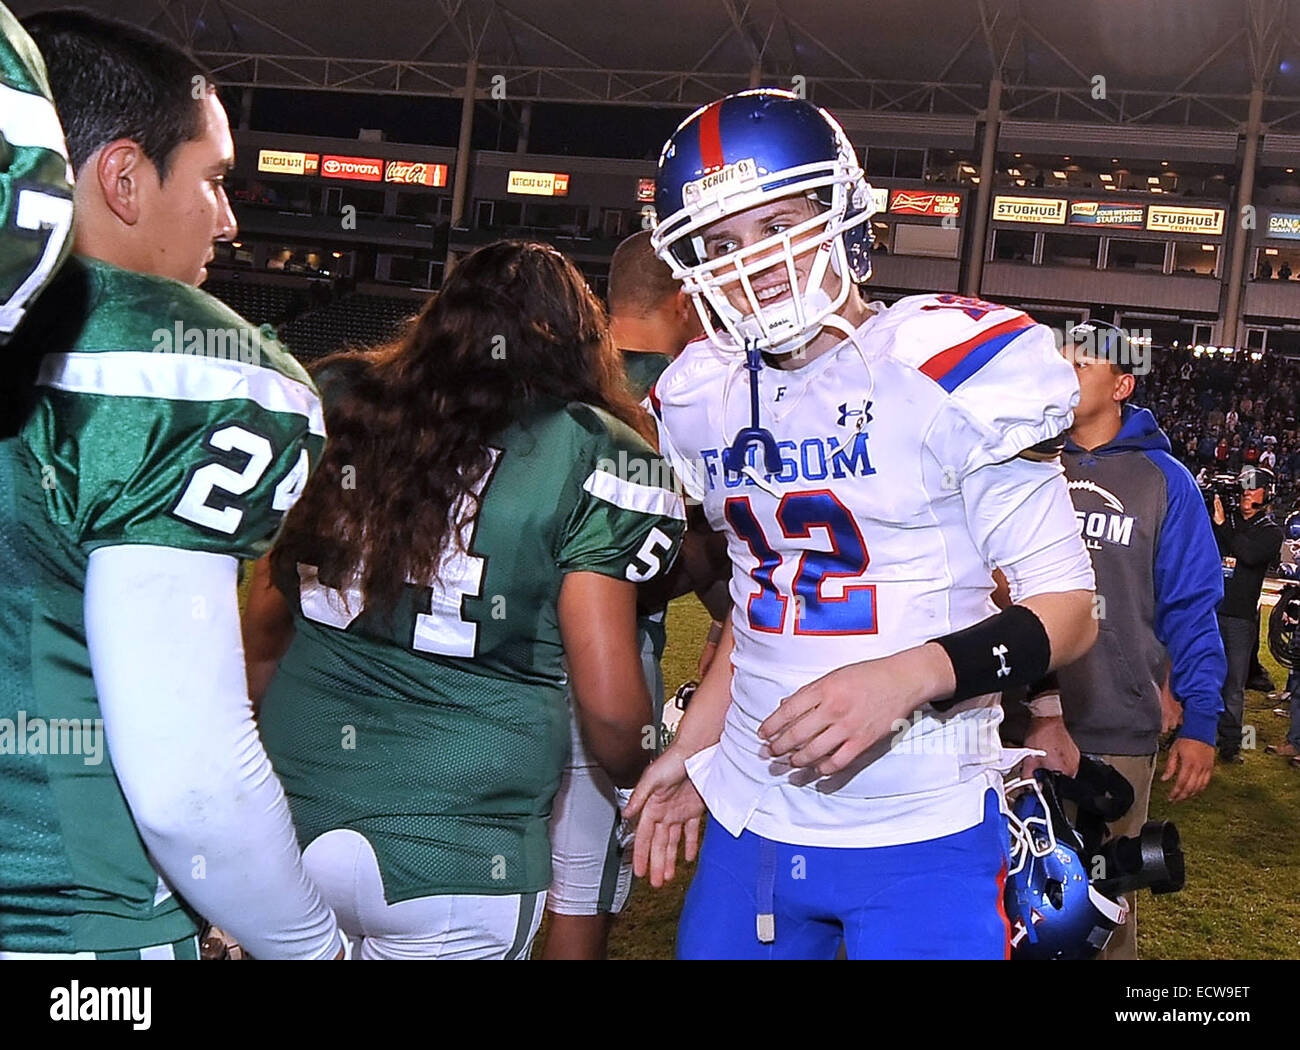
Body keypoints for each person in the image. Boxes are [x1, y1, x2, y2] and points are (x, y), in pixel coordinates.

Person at [626, 89, 1098, 960]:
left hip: (924, 824)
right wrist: (697, 757)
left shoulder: (949, 366)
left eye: (777, 225)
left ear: (842, 213)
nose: (752, 263)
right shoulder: (701, 396)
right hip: (754, 818)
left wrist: (913, 676)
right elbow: (760, 606)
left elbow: (1069, 610)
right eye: (720, 245)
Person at [0, 10, 346, 958]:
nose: (229, 222)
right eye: (214, 178)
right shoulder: (170, 367)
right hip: (71, 926)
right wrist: (313, 944)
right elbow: (193, 786)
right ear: (122, 177)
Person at [246, 241, 686, 960]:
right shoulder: (590, 448)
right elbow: (608, 708)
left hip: (292, 822)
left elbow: (265, 631)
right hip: (460, 846)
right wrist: (655, 770)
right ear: (580, 337)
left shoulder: (346, 402)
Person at [1016, 320, 1225, 960]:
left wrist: (1202, 721)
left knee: (1101, 907)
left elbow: (1193, 608)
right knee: (1014, 903)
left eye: (1081, 365)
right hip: (1012, 725)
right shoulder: (1020, 465)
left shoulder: (1165, 481)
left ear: (1122, 385)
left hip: (1114, 725)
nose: (1064, 373)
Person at [543, 229, 702, 959]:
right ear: (686, 297)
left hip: (507, 656)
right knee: (583, 893)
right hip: (616, 652)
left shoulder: (552, 371)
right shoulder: (697, 391)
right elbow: (677, 563)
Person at [1213, 465, 1283, 762]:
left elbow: (1249, 555)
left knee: (1233, 685)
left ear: (1266, 495)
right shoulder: (1227, 522)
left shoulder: (1271, 532)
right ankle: (1192, 732)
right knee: (1200, 675)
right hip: (1212, 610)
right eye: (1244, 489)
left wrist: (1222, 526)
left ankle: (1230, 744)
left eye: (1253, 489)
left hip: (1240, 618)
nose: (1246, 494)